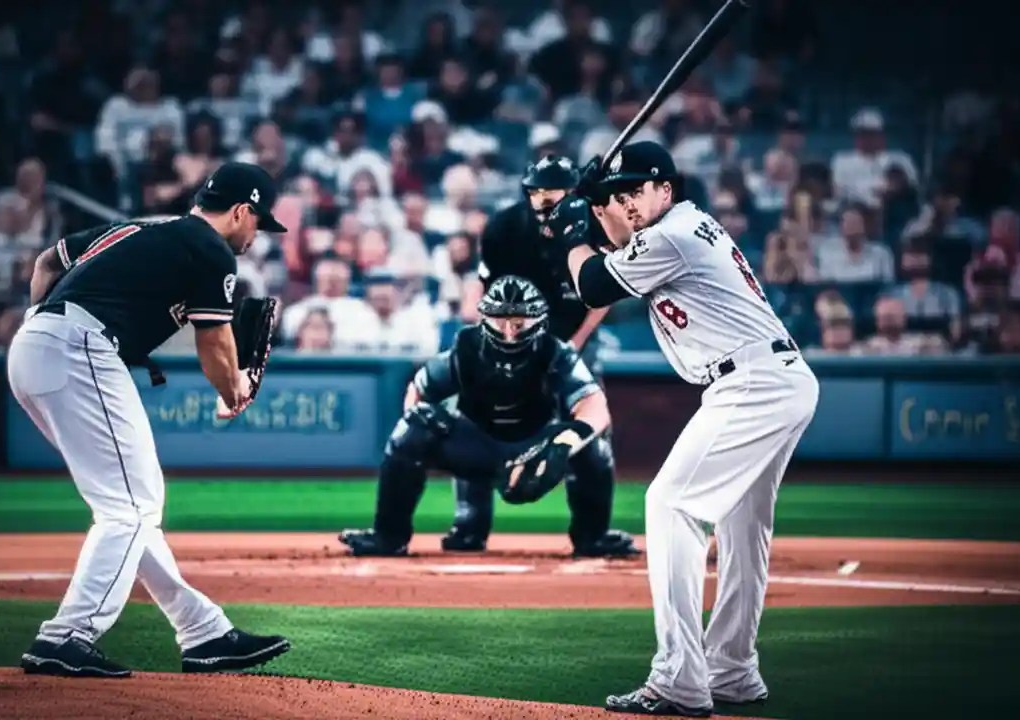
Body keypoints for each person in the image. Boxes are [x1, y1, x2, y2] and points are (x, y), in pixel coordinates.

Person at [555, 142, 819, 716]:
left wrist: (573, 228)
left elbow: (594, 285)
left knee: (670, 504)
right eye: (619, 194)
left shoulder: (671, 235)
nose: (627, 202)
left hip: (752, 381)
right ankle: (732, 670)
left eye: (635, 191)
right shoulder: (678, 228)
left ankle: (678, 678)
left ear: (666, 189)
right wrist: (594, 206)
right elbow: (615, 251)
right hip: (774, 378)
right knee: (743, 527)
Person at [8, 162, 291, 678]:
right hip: (78, 347)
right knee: (133, 508)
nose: (257, 234)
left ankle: (203, 632)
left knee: (127, 505)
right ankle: (65, 637)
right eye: (258, 221)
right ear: (240, 211)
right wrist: (235, 391)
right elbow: (215, 342)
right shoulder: (209, 248)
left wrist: (40, 323)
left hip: (34, 348)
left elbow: (47, 262)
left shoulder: (140, 228)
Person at [338, 276, 635, 558]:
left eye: (518, 323)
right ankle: (388, 537)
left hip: (535, 449)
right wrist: (423, 419)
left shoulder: (556, 352)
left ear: (539, 322)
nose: (509, 332)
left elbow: (595, 407)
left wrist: (561, 445)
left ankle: (592, 537)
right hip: (476, 445)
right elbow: (418, 390)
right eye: (500, 321)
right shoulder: (465, 347)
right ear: (484, 319)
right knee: (412, 428)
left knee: (594, 445)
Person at [443, 154, 615, 552]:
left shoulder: (595, 224)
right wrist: (489, 341)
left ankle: (592, 534)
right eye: (536, 193)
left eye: (553, 194)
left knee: (591, 426)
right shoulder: (504, 227)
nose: (543, 201)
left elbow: (603, 294)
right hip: (509, 334)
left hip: (571, 334)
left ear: (573, 194)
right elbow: (486, 288)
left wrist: (574, 345)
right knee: (474, 416)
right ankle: (469, 527)